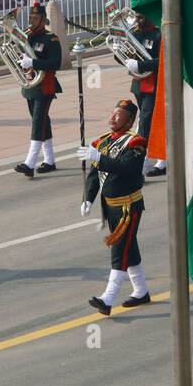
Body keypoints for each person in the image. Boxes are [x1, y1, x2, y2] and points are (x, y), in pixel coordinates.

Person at [79, 100, 151, 314]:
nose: (112, 118)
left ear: (129, 121)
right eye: (112, 113)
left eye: (118, 116)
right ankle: (141, 291)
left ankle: (108, 298)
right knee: (129, 247)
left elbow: (127, 167)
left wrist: (99, 158)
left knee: (119, 249)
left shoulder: (135, 143)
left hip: (128, 207)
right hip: (110, 207)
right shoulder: (102, 142)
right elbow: (94, 176)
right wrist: (88, 199)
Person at [14, 2, 63, 177]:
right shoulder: (26, 37)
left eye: (35, 18)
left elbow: (56, 63)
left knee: (37, 121)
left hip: (45, 86)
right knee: (42, 121)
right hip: (30, 85)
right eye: (30, 18)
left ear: (43, 20)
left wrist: (33, 63)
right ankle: (49, 160)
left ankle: (30, 163)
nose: (32, 21)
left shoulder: (51, 39)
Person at [123, 11, 162, 172]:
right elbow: (126, 56)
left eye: (140, 17)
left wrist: (140, 66)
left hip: (154, 83)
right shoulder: (135, 33)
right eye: (136, 17)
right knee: (150, 121)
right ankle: (163, 159)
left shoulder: (158, 34)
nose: (137, 20)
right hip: (139, 83)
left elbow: (163, 60)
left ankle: (141, 164)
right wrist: (120, 54)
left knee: (145, 121)